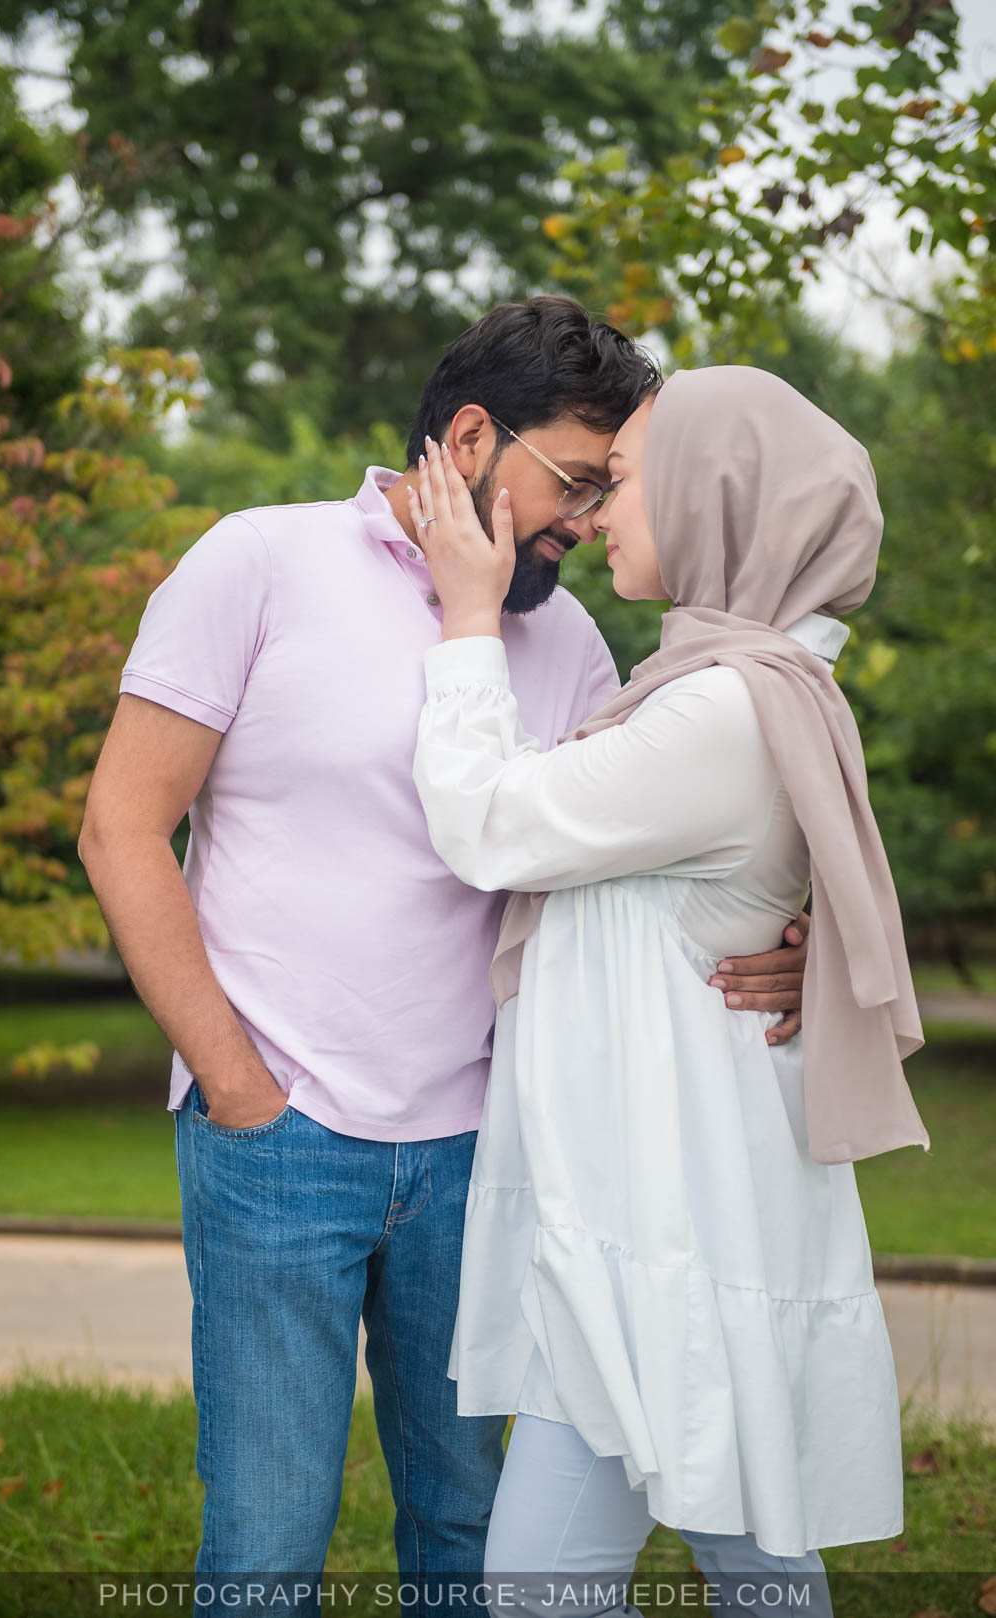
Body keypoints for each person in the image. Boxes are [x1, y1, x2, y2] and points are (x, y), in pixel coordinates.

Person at [77, 302, 811, 1616]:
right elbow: (122, 827)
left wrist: (785, 935)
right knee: (265, 1540)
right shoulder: (256, 562)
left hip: (486, 1147)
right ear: (471, 437)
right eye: (574, 479)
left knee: (469, 1531)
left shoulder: (566, 639)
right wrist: (235, 1082)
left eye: (605, 487)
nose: (588, 517)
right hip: (278, 1139)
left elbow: (633, 855)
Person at [410, 366, 930, 1618]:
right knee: (746, 1560)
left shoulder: (724, 710)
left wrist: (469, 620)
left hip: (661, 1224)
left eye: (625, 481)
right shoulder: (745, 690)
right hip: (657, 1214)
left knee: (564, 1582)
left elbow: (489, 822)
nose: (595, 513)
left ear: (717, 496)